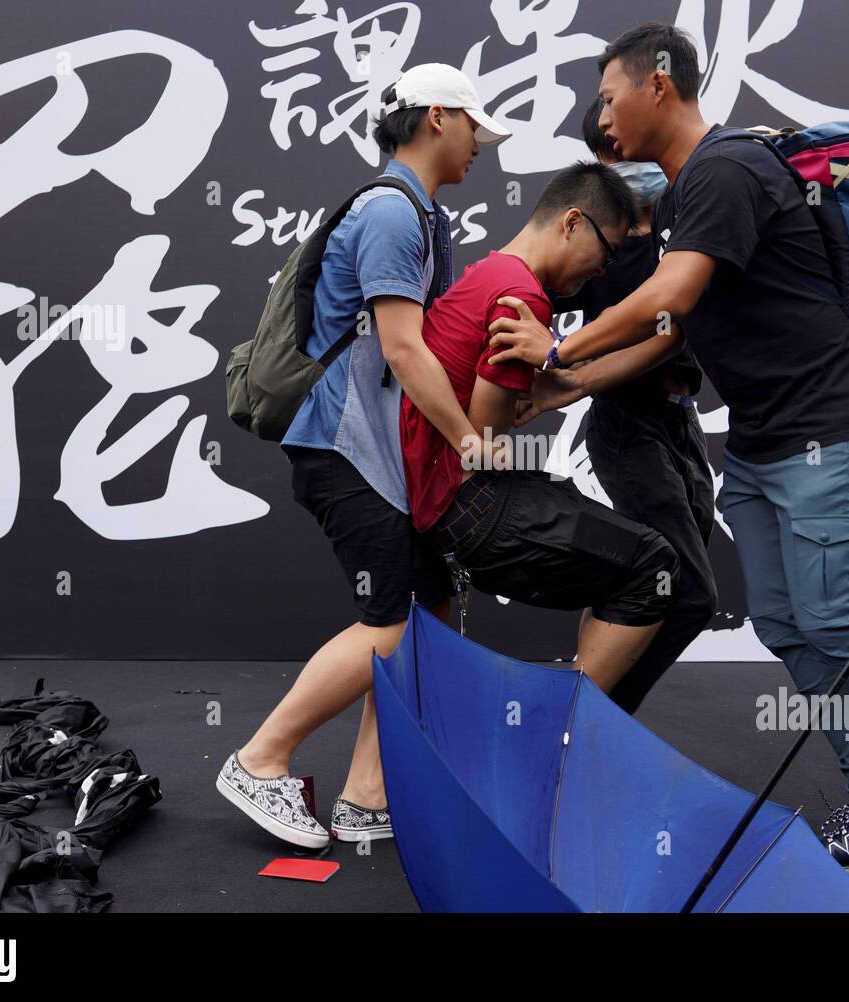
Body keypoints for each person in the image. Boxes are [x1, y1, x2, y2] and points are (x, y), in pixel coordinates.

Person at [486, 22, 849, 896]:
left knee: (836, 620)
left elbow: (670, 294)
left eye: (609, 96)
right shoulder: (689, 194)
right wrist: (565, 389)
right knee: (790, 627)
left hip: (825, 430)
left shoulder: (724, 168)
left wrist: (556, 350)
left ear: (660, 83)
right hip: (764, 445)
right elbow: (671, 331)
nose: (600, 116)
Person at [216, 64, 511, 849]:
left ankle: (366, 795)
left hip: (373, 455)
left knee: (426, 613)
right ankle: (260, 759)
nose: (481, 144)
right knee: (387, 625)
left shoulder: (413, 210)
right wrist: (470, 443)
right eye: (474, 127)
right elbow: (406, 351)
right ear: (438, 118)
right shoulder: (390, 212)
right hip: (343, 451)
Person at [400, 161, 679, 694]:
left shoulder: (488, 271)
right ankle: (558, 727)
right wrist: (539, 392)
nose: (604, 272)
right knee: (652, 565)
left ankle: (562, 720)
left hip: (442, 500)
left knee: (622, 557)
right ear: (572, 222)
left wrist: (551, 387)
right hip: (470, 505)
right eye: (608, 252)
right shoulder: (523, 297)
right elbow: (484, 438)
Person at [515, 96, 717, 715]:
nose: (630, 163)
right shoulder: (601, 241)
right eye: (614, 154)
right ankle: (583, 722)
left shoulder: (680, 224)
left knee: (640, 582)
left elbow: (673, 331)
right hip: (629, 425)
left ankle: (586, 722)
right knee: (684, 593)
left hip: (681, 423)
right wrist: (557, 361)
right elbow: (528, 285)